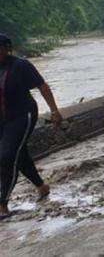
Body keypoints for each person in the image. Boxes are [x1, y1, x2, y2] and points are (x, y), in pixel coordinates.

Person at [0, 33, 62, 219]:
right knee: (20, 154)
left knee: (7, 157)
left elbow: (42, 86)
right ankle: (42, 187)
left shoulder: (20, 66)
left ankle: (2, 204)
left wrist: (54, 111)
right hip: (2, 118)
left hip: (22, 115)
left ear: (7, 49)